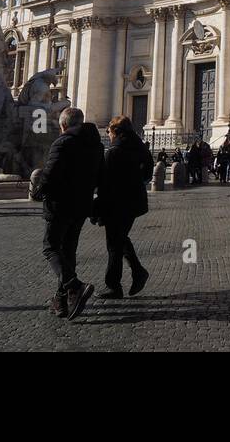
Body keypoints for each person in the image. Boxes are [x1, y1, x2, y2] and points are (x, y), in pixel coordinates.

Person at [39, 107, 104, 320]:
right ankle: (62, 300)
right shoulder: (96, 145)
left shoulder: (62, 142)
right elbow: (99, 175)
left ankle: (75, 286)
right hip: (81, 206)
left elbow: (50, 173)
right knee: (69, 251)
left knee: (50, 247)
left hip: (60, 205)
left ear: (63, 125)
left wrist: (39, 189)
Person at [95, 116, 150, 299]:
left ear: (115, 131)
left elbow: (105, 184)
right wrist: (136, 184)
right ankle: (138, 272)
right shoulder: (140, 147)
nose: (108, 135)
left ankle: (114, 286)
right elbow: (148, 171)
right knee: (120, 239)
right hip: (135, 202)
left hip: (117, 204)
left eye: (108, 132)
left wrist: (98, 209)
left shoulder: (113, 151)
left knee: (114, 245)